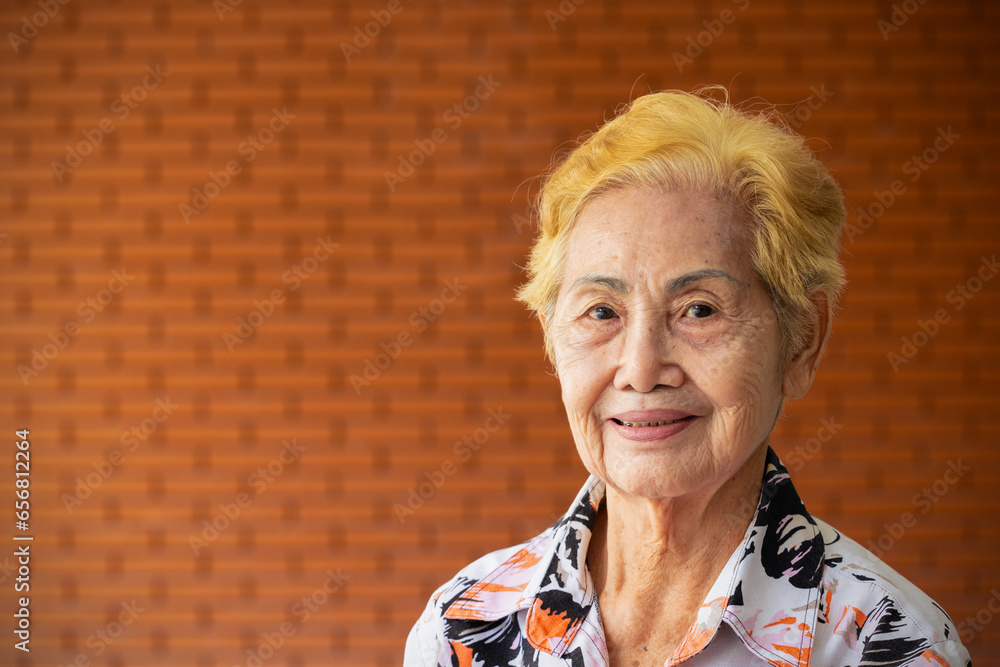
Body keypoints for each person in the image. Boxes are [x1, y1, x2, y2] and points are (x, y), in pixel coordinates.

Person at [403, 87, 972, 666]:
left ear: (802, 341)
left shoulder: (887, 644)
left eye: (699, 309)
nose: (642, 368)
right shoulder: (464, 627)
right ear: (552, 338)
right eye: (602, 311)